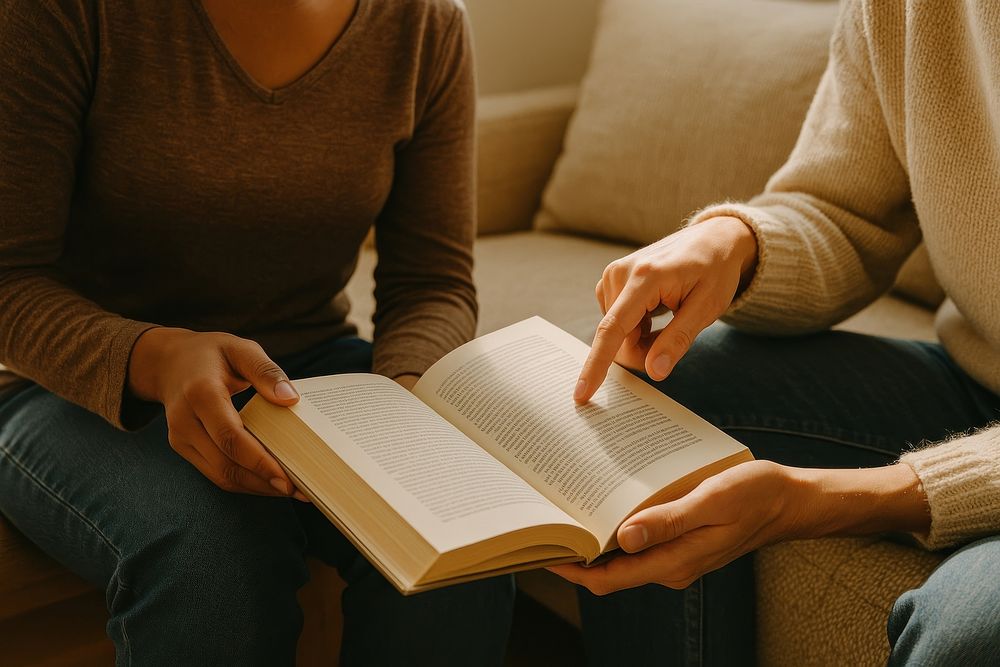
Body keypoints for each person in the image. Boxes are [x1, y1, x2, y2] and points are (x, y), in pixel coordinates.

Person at [0, 1, 514, 665]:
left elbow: (432, 281)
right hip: (69, 388)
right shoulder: (60, 13)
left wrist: (409, 396)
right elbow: (10, 279)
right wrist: (157, 356)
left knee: (466, 531)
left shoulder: (424, 23)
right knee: (215, 558)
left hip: (305, 367)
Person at [551, 1, 1000, 664]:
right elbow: (845, 209)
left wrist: (817, 500)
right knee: (651, 394)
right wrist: (734, 244)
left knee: (968, 633)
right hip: (979, 380)